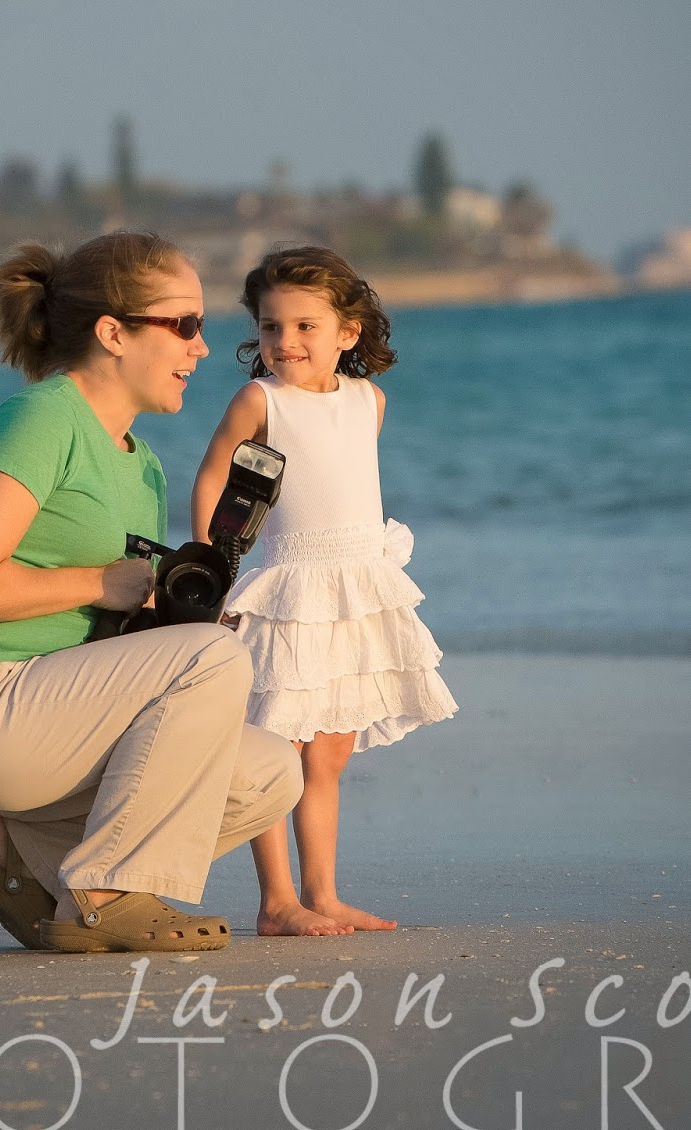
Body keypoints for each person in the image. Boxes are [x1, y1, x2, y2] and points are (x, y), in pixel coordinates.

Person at [0, 231, 301, 953]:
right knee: (208, 660)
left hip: (54, 724)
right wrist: (108, 585)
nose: (202, 348)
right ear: (113, 333)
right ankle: (108, 892)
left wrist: (164, 625)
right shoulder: (41, 418)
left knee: (272, 773)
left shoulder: (143, 466)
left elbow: (101, 634)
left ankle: (29, 862)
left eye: (202, 327)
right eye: (184, 325)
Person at [191, 246, 457, 937]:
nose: (286, 342)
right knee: (276, 744)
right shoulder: (260, 400)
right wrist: (212, 569)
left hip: (355, 590)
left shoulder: (369, 401)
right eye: (273, 327)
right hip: (289, 590)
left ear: (349, 331)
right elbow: (213, 477)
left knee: (329, 752)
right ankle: (277, 901)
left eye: (306, 326)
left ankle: (324, 893)